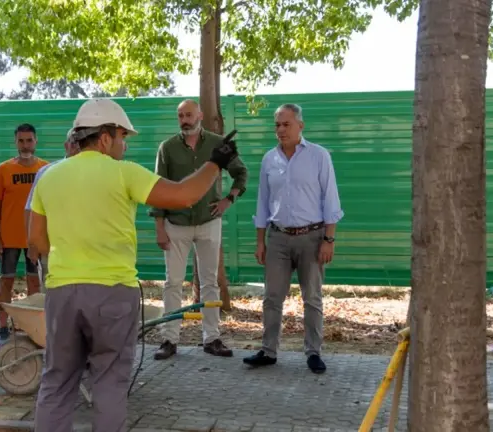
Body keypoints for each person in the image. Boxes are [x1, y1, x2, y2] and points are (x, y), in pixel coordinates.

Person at [28, 98, 240, 432]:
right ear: (104, 138)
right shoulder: (124, 173)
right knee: (109, 385)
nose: (125, 145)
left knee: (56, 384)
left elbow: (37, 243)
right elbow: (184, 195)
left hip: (62, 294)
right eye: (123, 137)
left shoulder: (49, 177)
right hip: (113, 295)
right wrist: (215, 163)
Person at [244, 103, 344, 374]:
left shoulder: (319, 156)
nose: (280, 130)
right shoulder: (269, 159)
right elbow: (262, 202)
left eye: (286, 124)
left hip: (311, 237)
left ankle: (313, 352)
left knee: (312, 297)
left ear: (301, 125)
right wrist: (260, 241)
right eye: (277, 124)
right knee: (272, 297)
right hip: (278, 238)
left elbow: (330, 199)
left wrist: (329, 240)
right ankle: (268, 351)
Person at [150, 99, 248, 361]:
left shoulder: (218, 143)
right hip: (176, 224)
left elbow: (241, 173)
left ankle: (212, 338)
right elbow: (159, 189)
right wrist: (159, 227)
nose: (185, 119)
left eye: (189, 114)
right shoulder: (167, 148)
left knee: (210, 282)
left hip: (208, 221)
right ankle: (169, 340)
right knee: (172, 283)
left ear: (200, 116)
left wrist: (229, 199)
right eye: (180, 115)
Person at [0, 123, 48, 344]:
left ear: (36, 141)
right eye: (21, 140)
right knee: (6, 282)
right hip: (9, 238)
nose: (25, 144)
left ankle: (32, 328)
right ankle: (3, 327)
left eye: (29, 140)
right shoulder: (4, 169)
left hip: (35, 238)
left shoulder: (46, 169)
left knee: (35, 284)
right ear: (15, 142)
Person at [24, 131, 81, 290]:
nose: (77, 147)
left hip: (85, 251)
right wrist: (32, 245)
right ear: (66, 145)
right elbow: (30, 209)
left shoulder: (97, 172)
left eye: (81, 142)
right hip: (52, 249)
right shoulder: (47, 172)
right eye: (73, 142)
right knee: (52, 298)